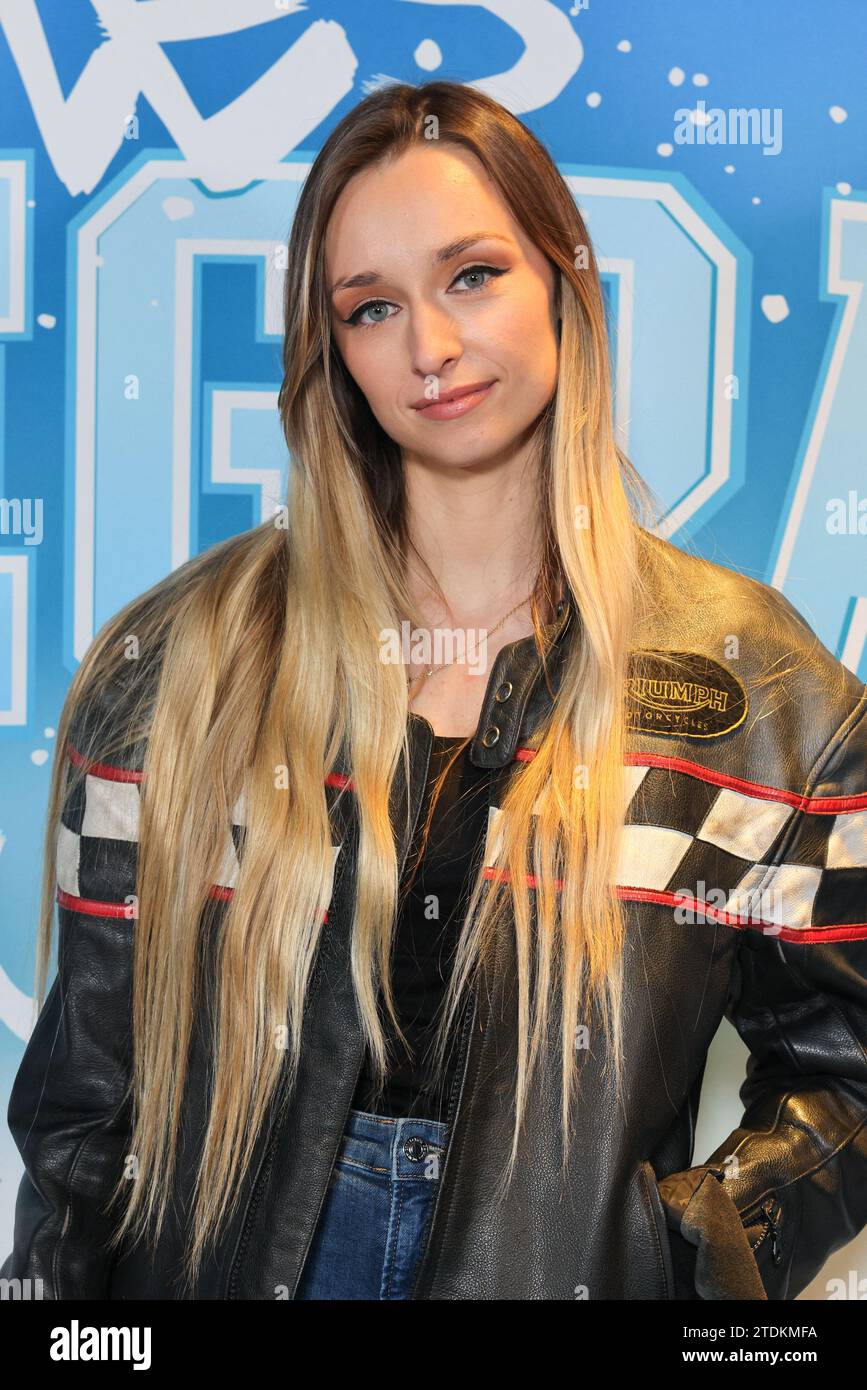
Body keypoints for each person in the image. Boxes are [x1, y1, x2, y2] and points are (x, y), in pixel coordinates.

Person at [3, 79, 866, 1303]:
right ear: (332, 350)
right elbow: (83, 1120)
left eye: (473, 275)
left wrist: (691, 1242)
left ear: (567, 278)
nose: (432, 347)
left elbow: (851, 1067)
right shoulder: (178, 667)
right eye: (372, 307)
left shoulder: (763, 694)